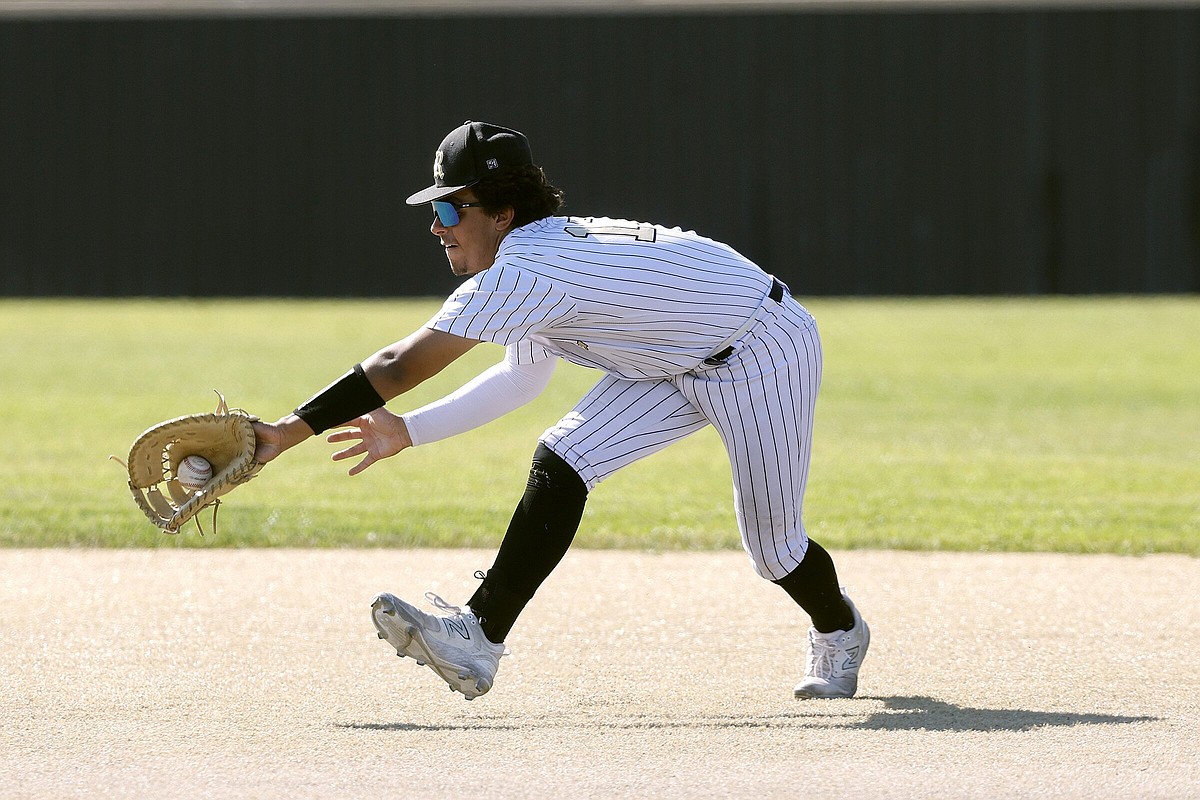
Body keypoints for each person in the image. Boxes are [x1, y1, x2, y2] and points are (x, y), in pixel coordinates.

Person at [252, 120, 869, 701]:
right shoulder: (531, 256)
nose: (436, 226)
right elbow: (521, 379)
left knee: (774, 549)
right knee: (565, 455)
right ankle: (480, 638)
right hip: (673, 357)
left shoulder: (529, 268)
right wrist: (408, 431)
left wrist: (287, 432)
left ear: (503, 212)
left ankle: (840, 631)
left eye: (449, 208)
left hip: (760, 346)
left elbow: (398, 365)